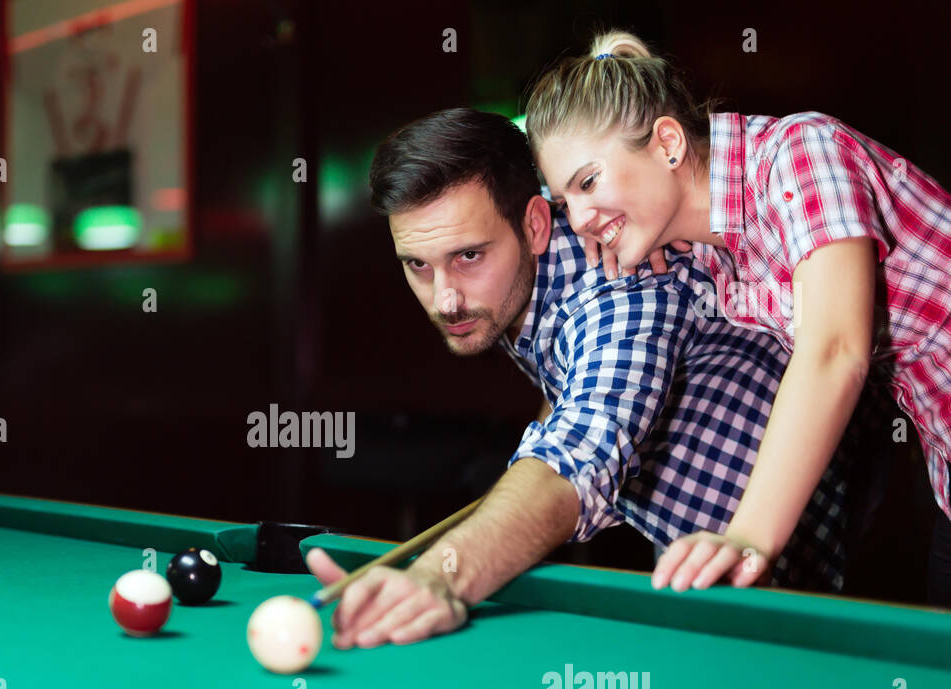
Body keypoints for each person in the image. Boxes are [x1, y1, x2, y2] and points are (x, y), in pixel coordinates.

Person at [305, 108, 860, 649]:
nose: (445, 299)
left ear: (535, 224)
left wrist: (439, 576)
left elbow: (583, 448)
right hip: (702, 558)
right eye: (418, 265)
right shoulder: (521, 274)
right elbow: (574, 403)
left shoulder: (624, 290)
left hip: (791, 570)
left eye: (468, 256)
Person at [524, 31, 951, 604]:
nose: (576, 219)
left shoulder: (800, 153)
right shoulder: (711, 255)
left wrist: (748, 538)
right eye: (563, 202)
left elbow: (833, 350)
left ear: (669, 144)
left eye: (589, 181)